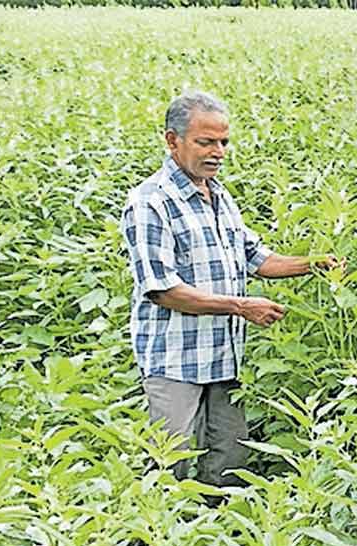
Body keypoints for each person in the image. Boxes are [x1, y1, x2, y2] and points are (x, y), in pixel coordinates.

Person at [120, 90, 344, 487]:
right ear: (173, 141)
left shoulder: (219, 197)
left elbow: (256, 258)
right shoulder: (150, 202)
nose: (218, 151)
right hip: (175, 361)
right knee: (167, 464)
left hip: (224, 358)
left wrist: (315, 264)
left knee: (229, 459)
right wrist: (241, 307)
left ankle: (220, 534)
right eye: (206, 142)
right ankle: (160, 541)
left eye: (223, 142)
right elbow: (163, 290)